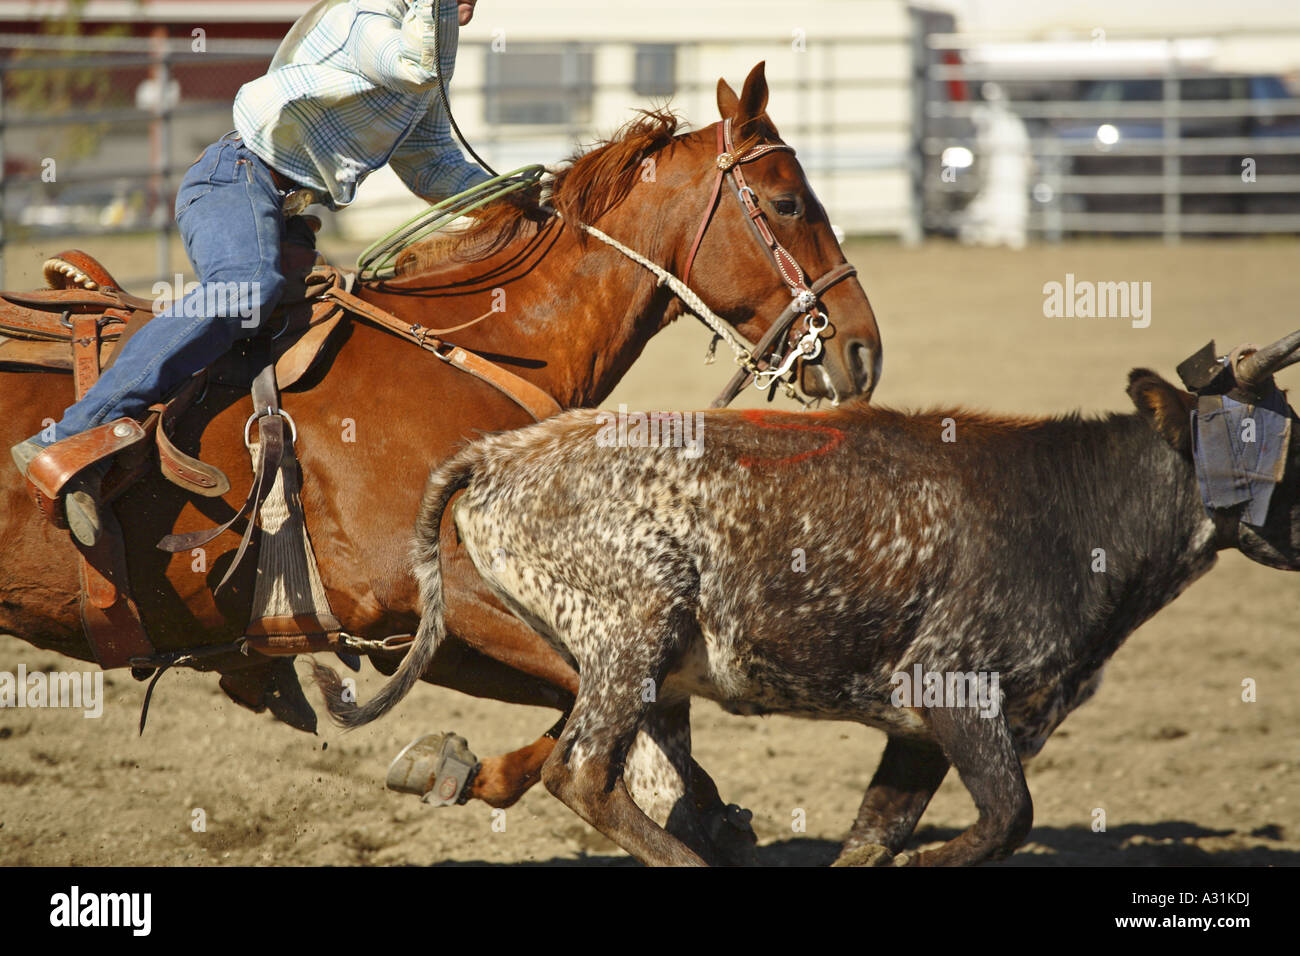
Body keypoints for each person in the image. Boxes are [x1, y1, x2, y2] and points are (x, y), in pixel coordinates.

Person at [12, 0, 489, 546]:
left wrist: (535, 197)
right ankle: (70, 435)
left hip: (280, 208)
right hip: (234, 179)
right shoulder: (364, 18)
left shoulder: (426, 53)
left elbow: (432, 164)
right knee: (247, 287)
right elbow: (416, 64)